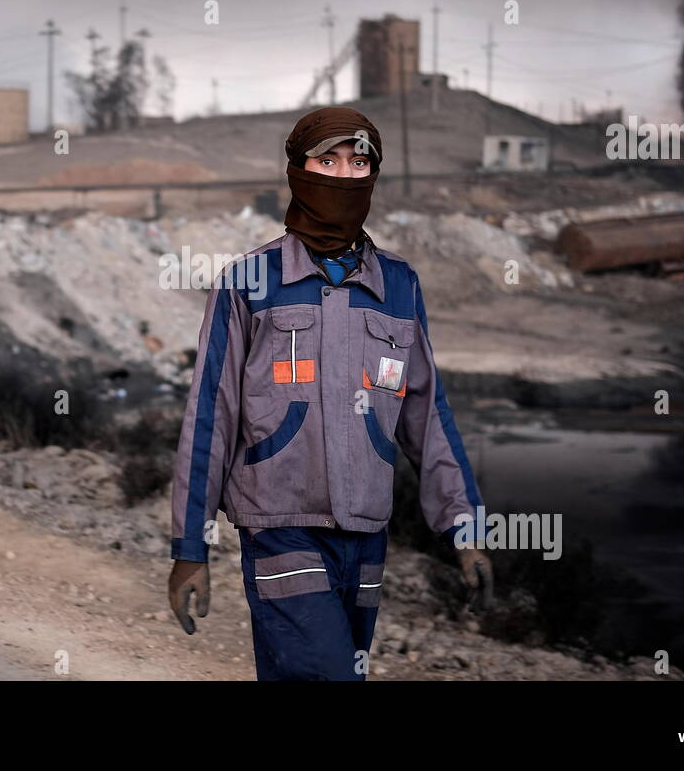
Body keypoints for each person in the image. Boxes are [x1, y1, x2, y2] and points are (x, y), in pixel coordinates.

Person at [167, 105, 492, 680]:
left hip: (366, 531)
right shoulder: (249, 281)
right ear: (298, 170)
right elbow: (209, 416)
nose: (343, 176)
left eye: (358, 162)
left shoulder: (398, 284)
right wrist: (190, 545)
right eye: (327, 160)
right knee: (327, 675)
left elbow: (427, 414)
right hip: (279, 524)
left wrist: (464, 529)